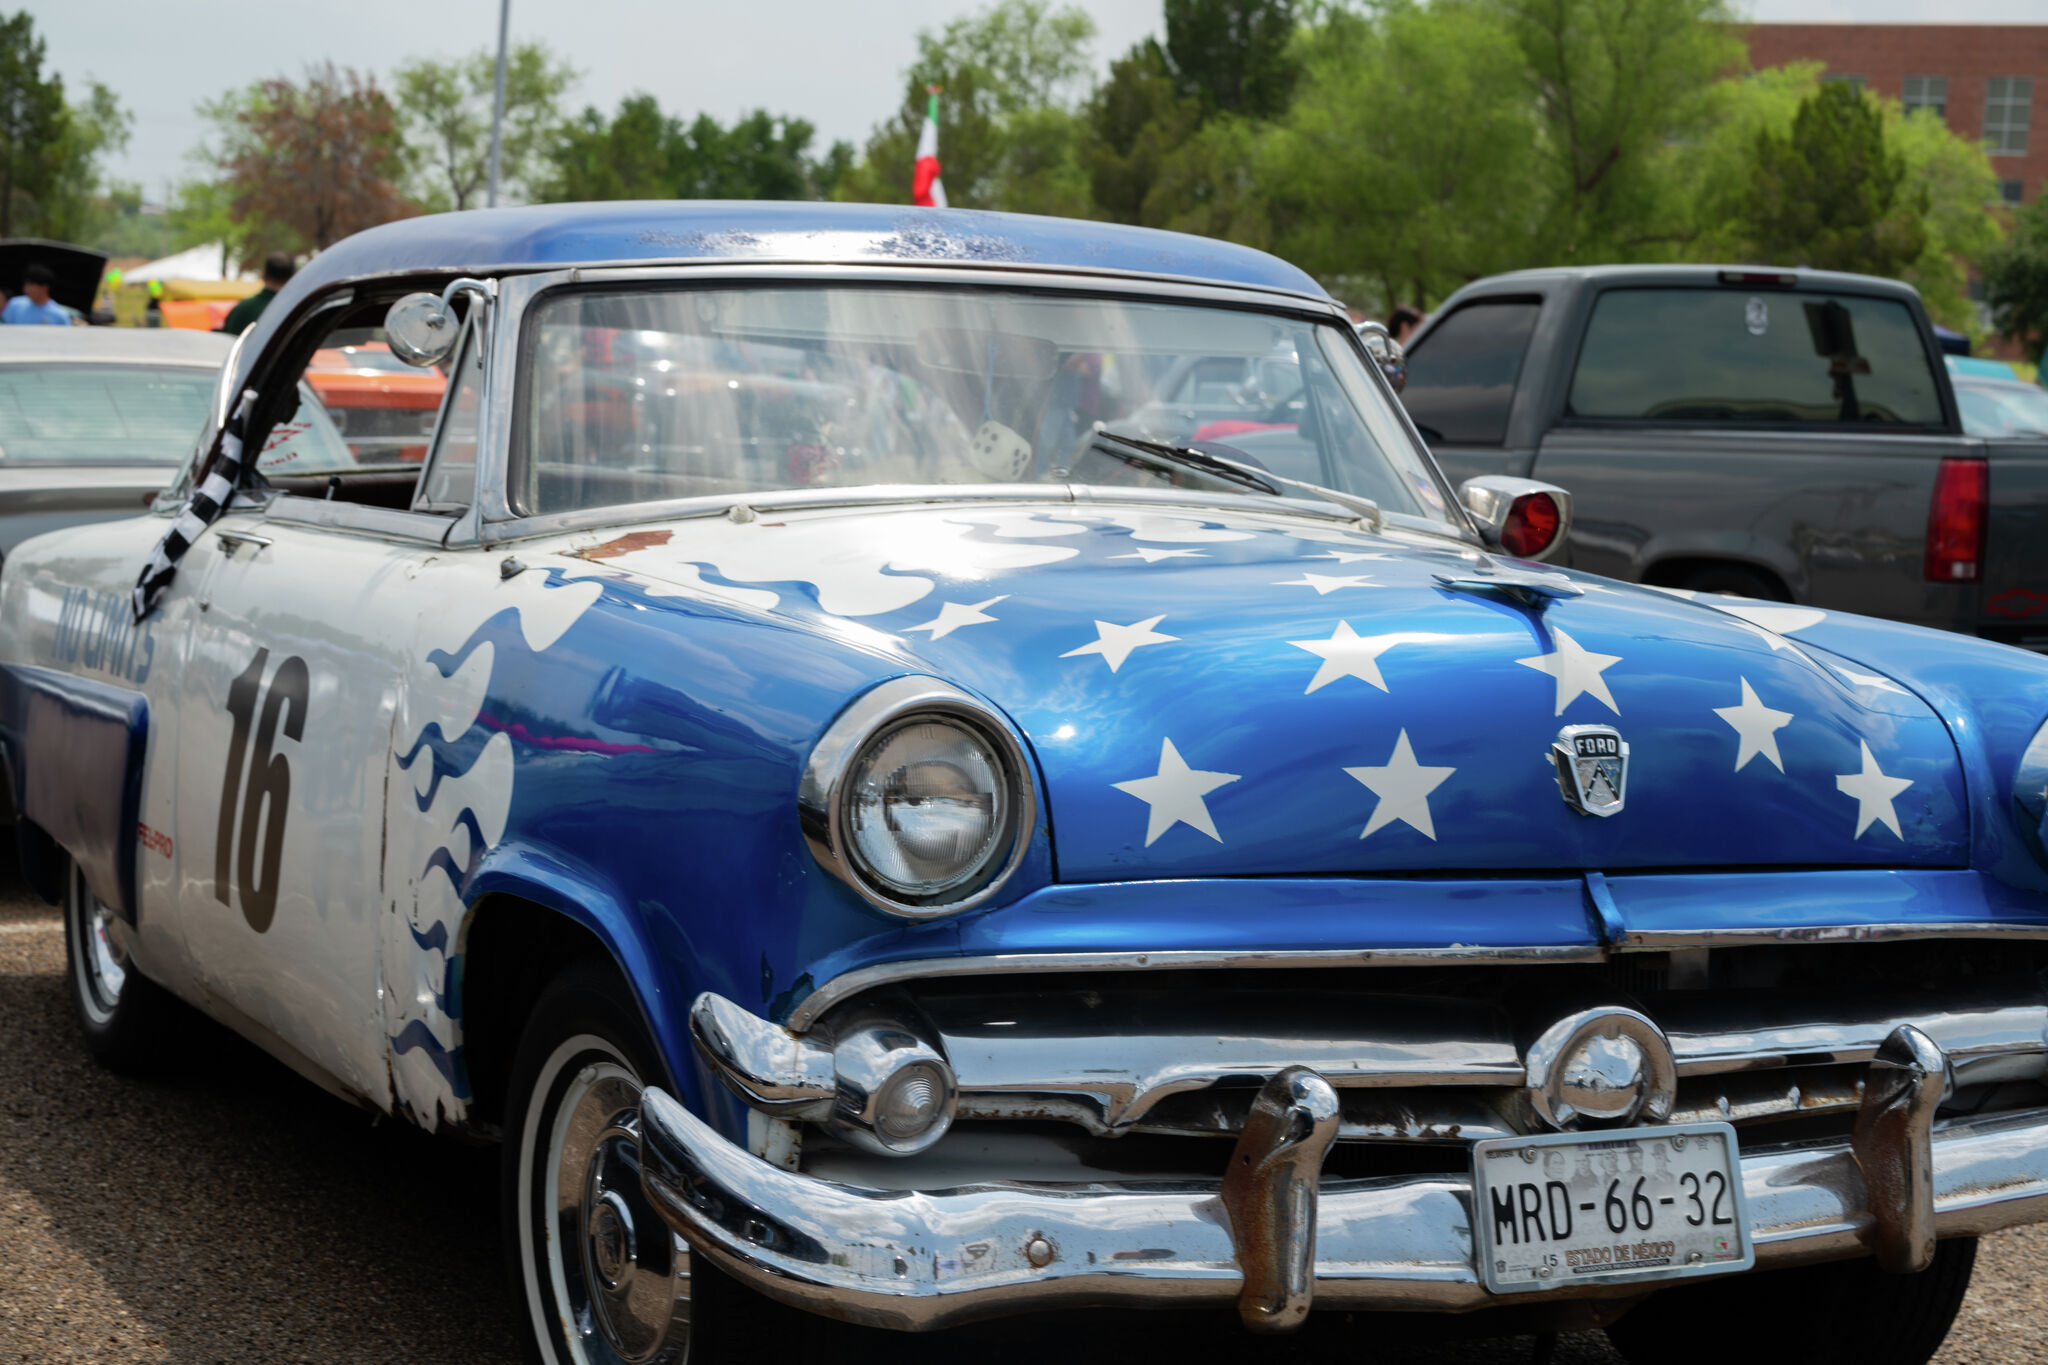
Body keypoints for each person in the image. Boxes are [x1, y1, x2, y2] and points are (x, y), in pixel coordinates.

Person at [219, 252, 296, 336]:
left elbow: (227, 341)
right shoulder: (297, 310)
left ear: (263, 275)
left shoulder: (242, 308)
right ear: (293, 277)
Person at [2, 264, 75, 325]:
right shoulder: (15, 305)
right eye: (25, 284)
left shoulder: (59, 315)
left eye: (31, 285)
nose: (26, 289)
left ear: (44, 287)